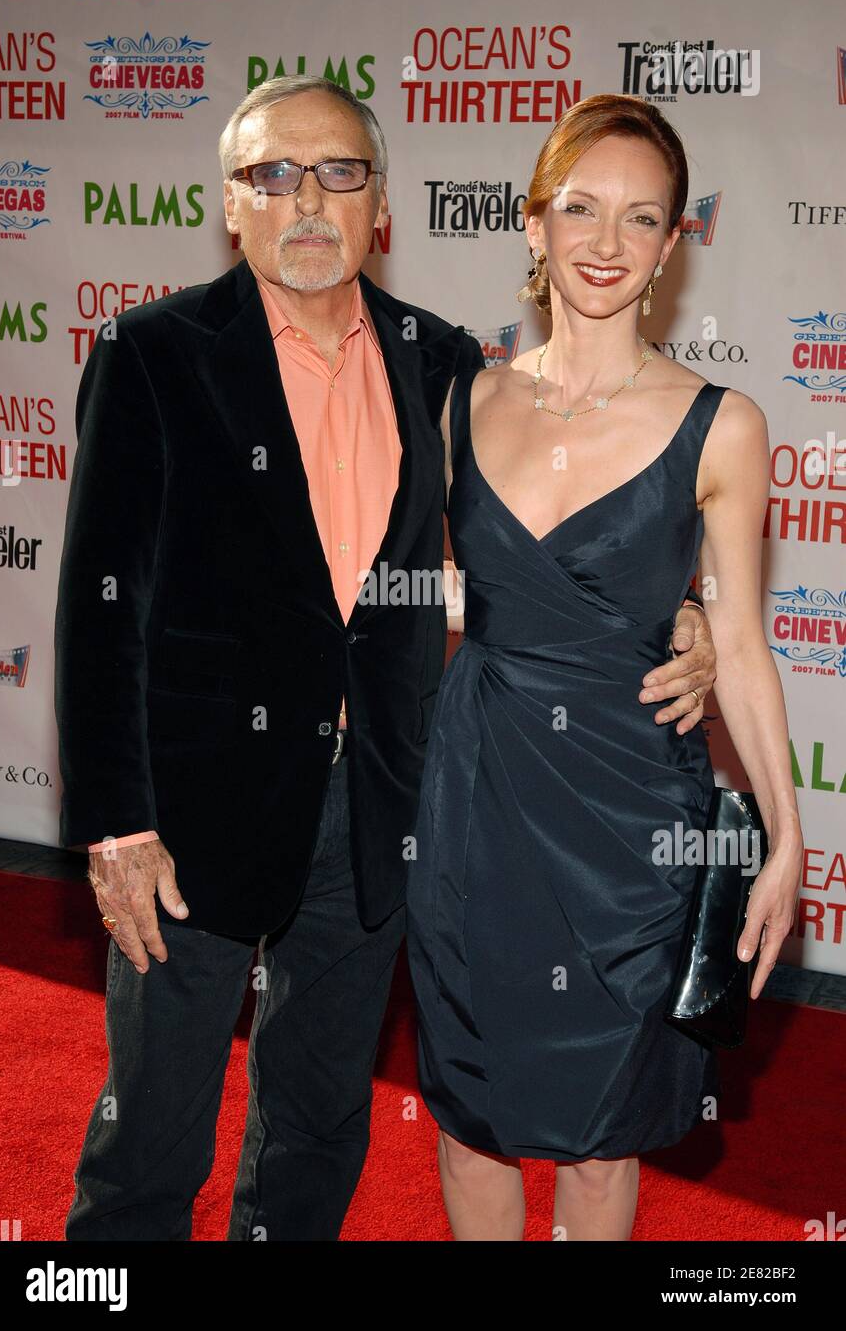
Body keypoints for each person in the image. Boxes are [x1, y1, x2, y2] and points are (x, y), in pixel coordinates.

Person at [55, 77, 717, 1242]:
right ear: (232, 201)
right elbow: (102, 606)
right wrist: (116, 820)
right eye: (275, 174)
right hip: (194, 820)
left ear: (380, 206)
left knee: (317, 1123)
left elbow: (575, 497)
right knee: (152, 1135)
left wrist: (691, 607)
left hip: (381, 814)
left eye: (339, 173)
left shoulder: (442, 367)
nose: (308, 200)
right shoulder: (155, 353)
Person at [405, 94, 803, 1242]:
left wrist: (788, 834)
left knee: (601, 1138)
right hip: (478, 799)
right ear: (533, 223)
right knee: (471, 1117)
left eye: (641, 218)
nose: (605, 242)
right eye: (579, 207)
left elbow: (739, 638)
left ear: (673, 246)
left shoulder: (720, 424)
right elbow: (421, 595)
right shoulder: (461, 400)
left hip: (632, 822)